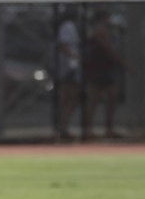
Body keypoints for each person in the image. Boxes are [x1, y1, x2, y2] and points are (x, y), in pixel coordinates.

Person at [82, 9, 127, 138]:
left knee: (112, 97)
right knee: (94, 99)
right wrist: (124, 64)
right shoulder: (98, 31)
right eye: (106, 18)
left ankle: (108, 128)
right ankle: (88, 129)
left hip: (106, 69)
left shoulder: (108, 31)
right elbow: (108, 48)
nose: (108, 21)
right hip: (98, 69)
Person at [54, 7, 83, 139]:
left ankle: (63, 126)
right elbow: (63, 45)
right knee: (68, 97)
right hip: (69, 67)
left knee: (72, 98)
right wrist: (76, 58)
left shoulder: (71, 26)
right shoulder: (67, 26)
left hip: (72, 66)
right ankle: (62, 128)